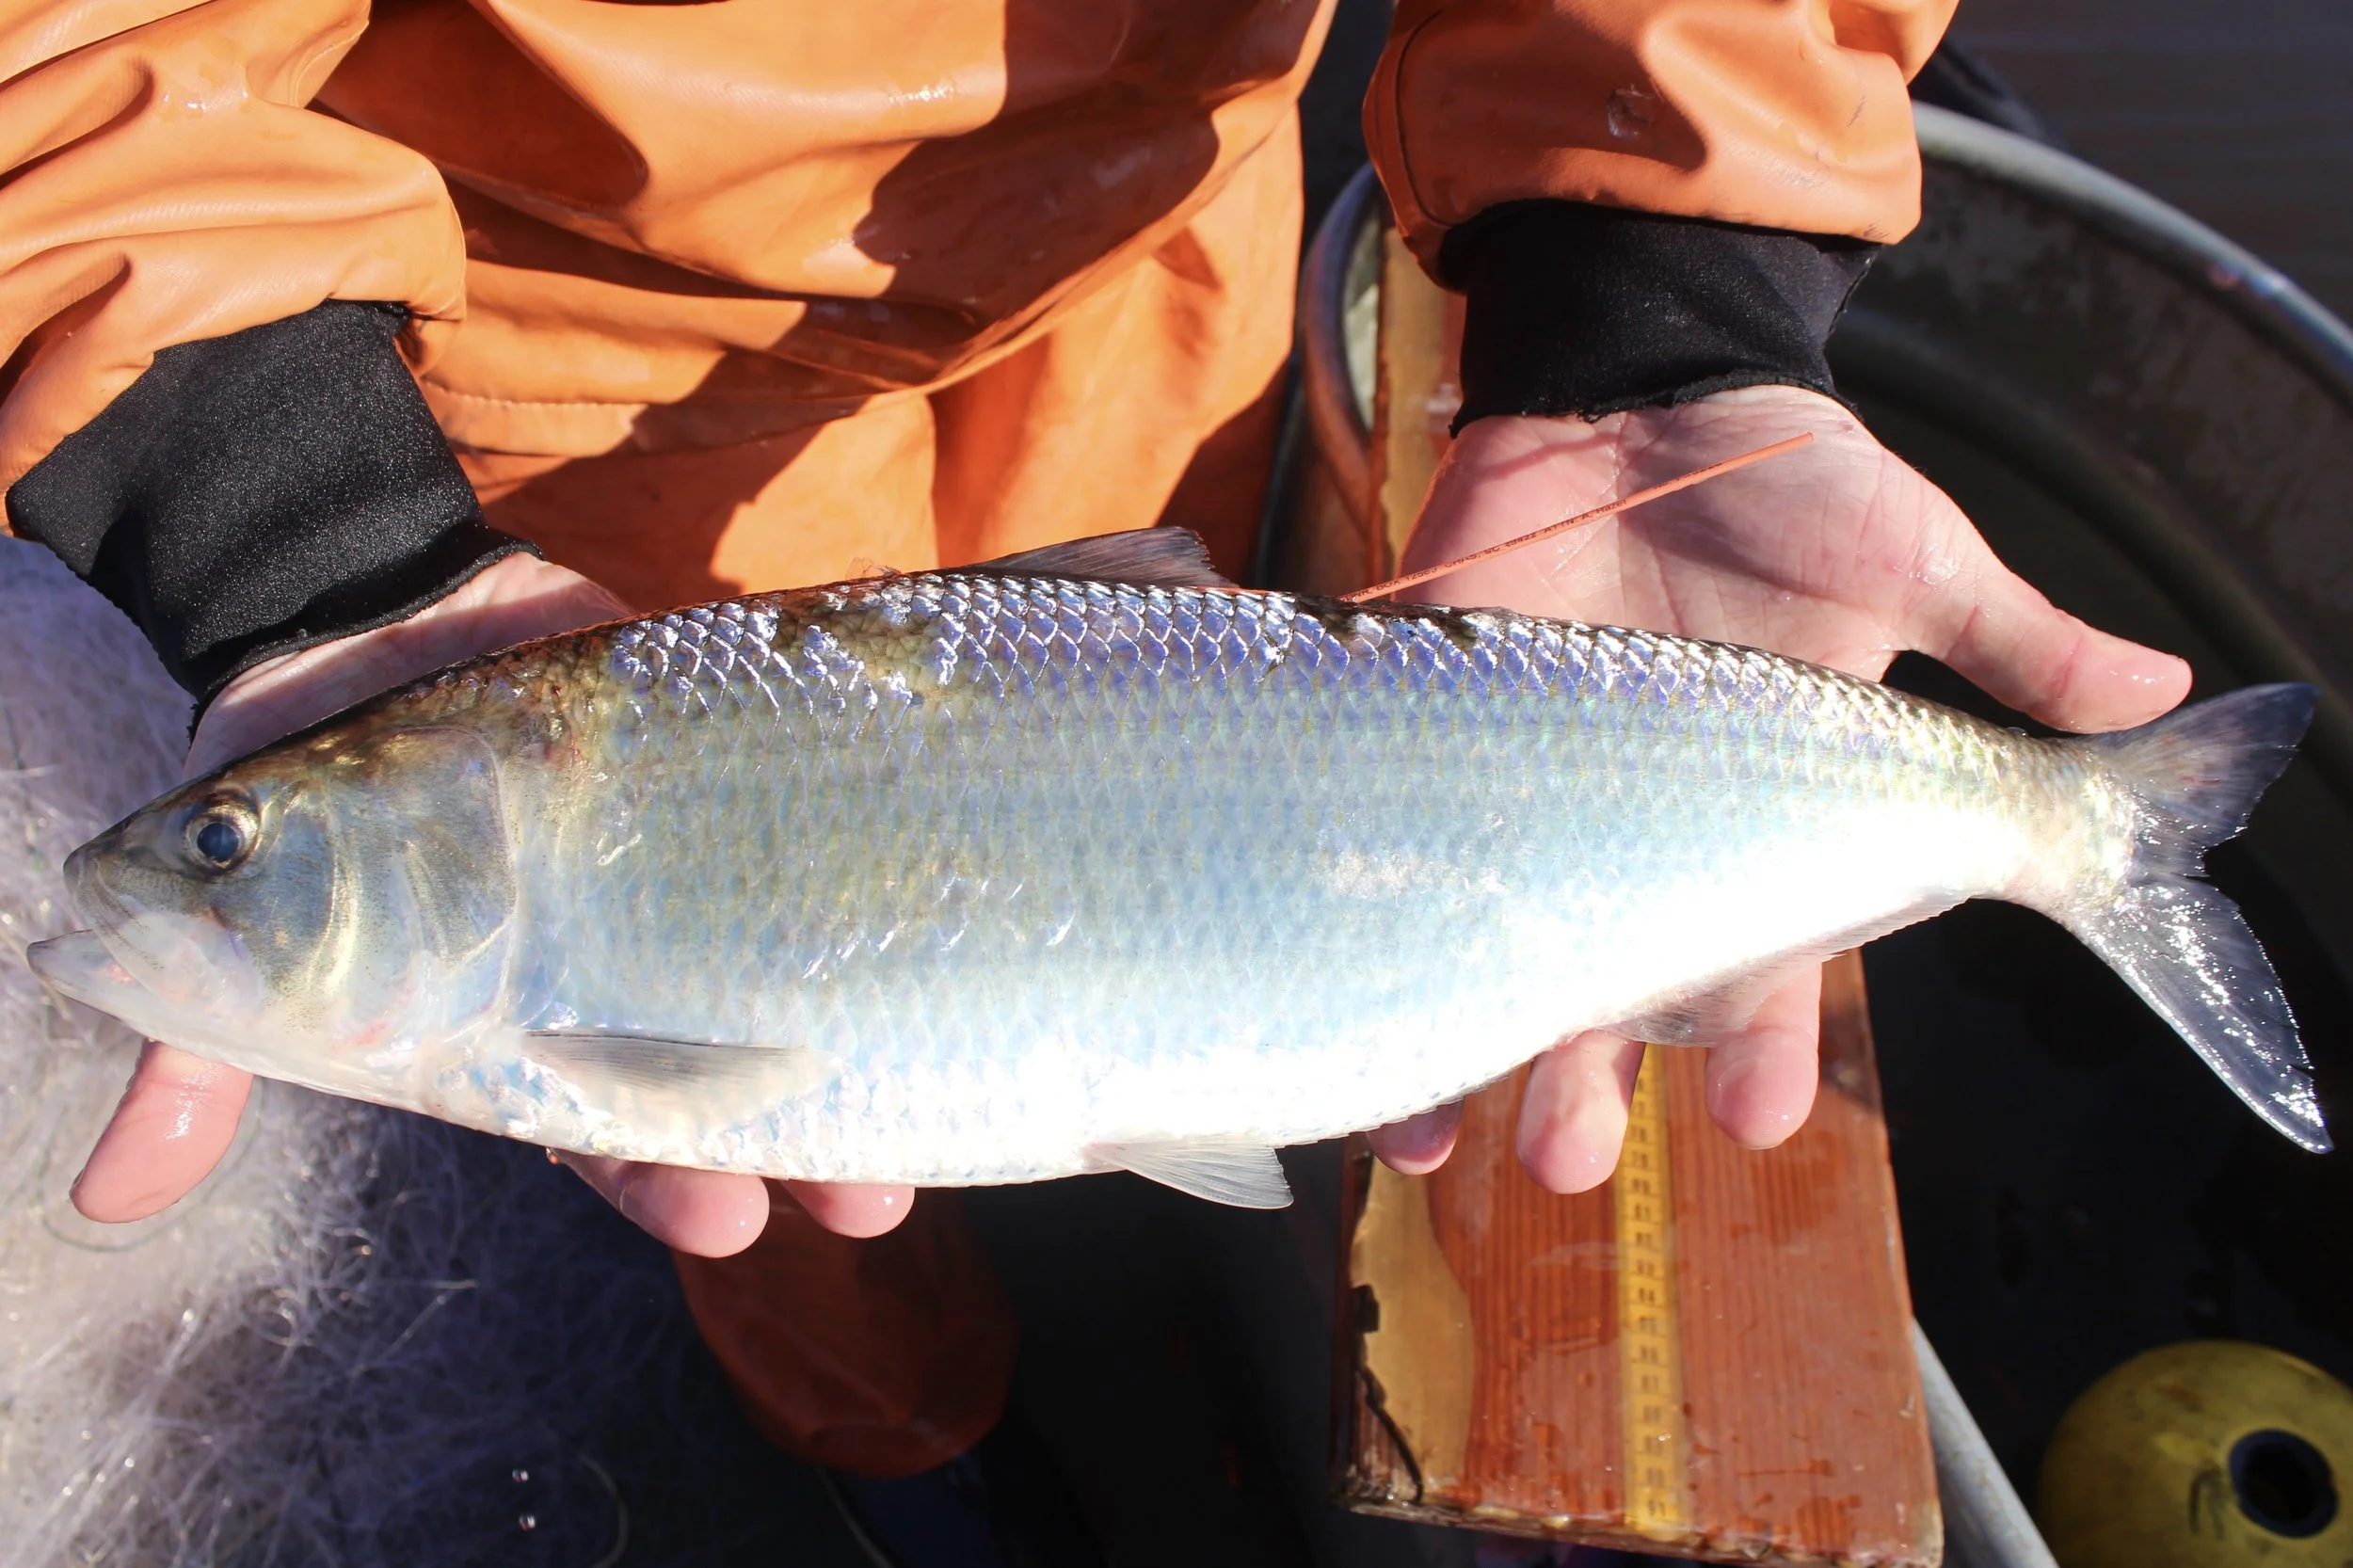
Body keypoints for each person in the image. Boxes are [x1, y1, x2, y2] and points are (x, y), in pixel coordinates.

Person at [2, 0, 2188, 1554]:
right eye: (233, 842)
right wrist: (292, 519)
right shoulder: (504, 744)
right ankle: (906, 1430)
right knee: (791, 1221)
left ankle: (2054, 834)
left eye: (228, 843)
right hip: (533, 351)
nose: (183, 873)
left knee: (853, 1076)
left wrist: (1656, 294)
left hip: (1139, 230)